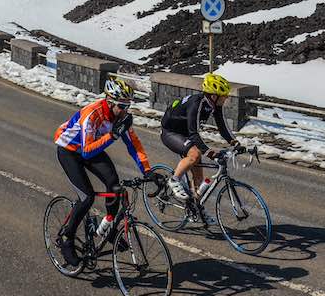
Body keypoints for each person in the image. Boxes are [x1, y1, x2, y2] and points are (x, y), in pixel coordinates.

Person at [54, 77, 150, 267]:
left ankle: (108, 228)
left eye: (128, 106)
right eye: (122, 105)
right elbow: (87, 149)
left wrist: (147, 170)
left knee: (115, 186)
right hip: (70, 151)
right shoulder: (93, 113)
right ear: (110, 101)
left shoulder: (122, 117)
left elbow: (134, 145)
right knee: (87, 197)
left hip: (92, 149)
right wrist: (112, 135)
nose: (125, 110)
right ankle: (67, 238)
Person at [160, 73, 242, 212]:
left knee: (199, 178)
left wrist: (234, 142)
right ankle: (174, 179)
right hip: (170, 132)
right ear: (214, 96)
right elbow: (194, 133)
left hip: (184, 134)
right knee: (195, 154)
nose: (227, 97)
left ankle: (196, 209)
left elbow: (222, 126)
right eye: (224, 95)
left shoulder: (214, 105)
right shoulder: (197, 103)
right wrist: (208, 151)